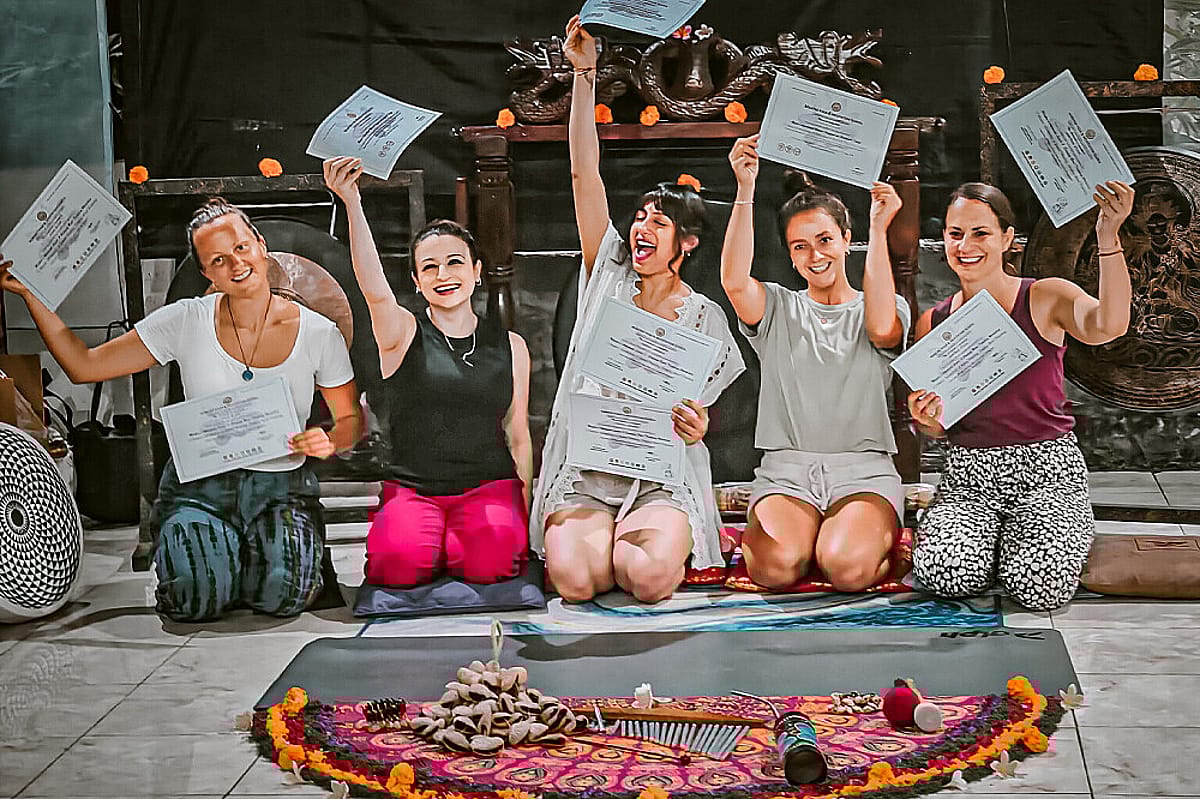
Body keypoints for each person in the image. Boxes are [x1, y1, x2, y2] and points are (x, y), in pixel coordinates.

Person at [0, 198, 363, 621]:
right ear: (206, 272)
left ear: (261, 245)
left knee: (281, 599)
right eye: (219, 259)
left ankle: (247, 559)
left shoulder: (320, 332)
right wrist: (30, 296)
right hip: (201, 489)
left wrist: (330, 439)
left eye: (242, 248)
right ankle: (214, 560)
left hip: (280, 489)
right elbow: (85, 366)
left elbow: (351, 421)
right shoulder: (186, 320)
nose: (236, 264)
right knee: (195, 600)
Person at [531, 16, 746, 604]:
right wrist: (583, 75)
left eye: (661, 221)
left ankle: (634, 541)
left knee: (646, 579)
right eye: (641, 216)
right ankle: (600, 537)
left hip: (658, 476)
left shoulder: (703, 317)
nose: (643, 227)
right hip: (590, 470)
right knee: (577, 582)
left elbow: (700, 411)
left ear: (687, 242)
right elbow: (583, 172)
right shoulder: (608, 272)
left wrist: (698, 425)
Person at [908, 180, 1135, 610]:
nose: (965, 246)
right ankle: (991, 542)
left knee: (1038, 587)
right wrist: (927, 419)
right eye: (955, 234)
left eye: (980, 233)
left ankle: (1035, 538)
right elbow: (938, 428)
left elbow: (1109, 324)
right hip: (969, 478)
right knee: (944, 574)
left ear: (1007, 237)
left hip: (1047, 471)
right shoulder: (933, 321)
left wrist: (1108, 236)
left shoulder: (1045, 296)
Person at [322, 157, 532, 588]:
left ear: (476, 272)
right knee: (397, 568)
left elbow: (519, 435)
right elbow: (374, 291)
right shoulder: (400, 334)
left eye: (455, 262)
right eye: (430, 267)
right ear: (417, 282)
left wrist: (523, 511)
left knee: (491, 566)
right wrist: (351, 201)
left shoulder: (511, 346)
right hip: (415, 489)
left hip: (488, 487)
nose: (443, 275)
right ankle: (433, 540)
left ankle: (460, 542)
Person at [720, 135, 910, 592]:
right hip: (787, 472)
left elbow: (882, 328)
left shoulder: (882, 307)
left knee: (846, 569)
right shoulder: (778, 307)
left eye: (825, 240)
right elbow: (734, 281)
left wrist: (880, 228)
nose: (815, 255)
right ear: (790, 255)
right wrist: (745, 188)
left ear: (847, 240)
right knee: (773, 569)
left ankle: (851, 545)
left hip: (863, 472)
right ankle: (813, 542)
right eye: (799, 246)